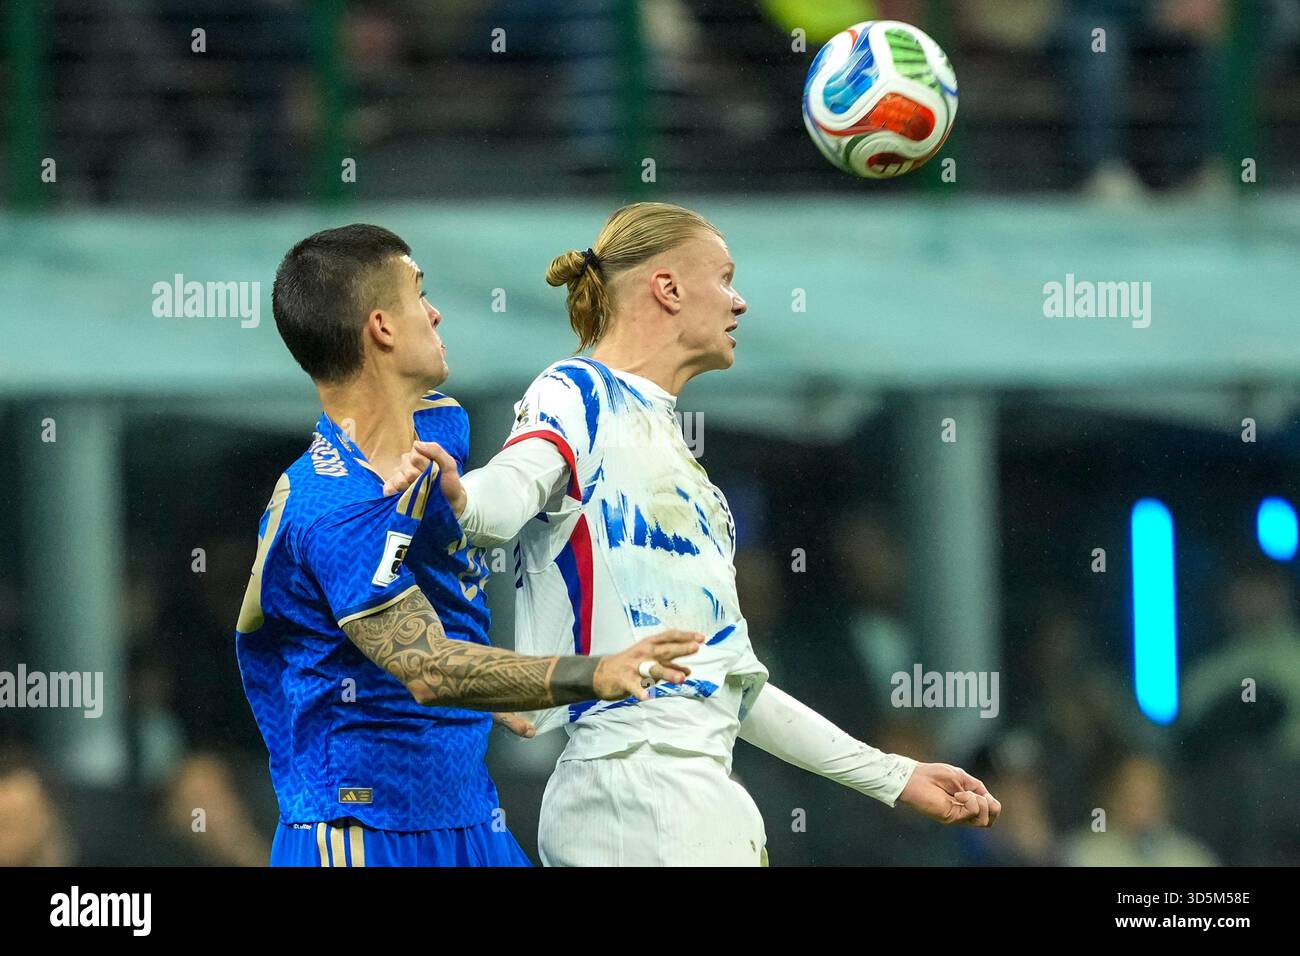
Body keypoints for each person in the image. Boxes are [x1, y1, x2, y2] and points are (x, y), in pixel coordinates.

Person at [385, 203, 1000, 865]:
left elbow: (737, 684)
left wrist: (894, 775)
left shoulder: (696, 484)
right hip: (634, 790)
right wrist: (459, 496)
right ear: (668, 287)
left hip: (696, 796)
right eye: (726, 278)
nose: (738, 303)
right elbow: (507, 491)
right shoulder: (579, 391)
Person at [236, 223, 703, 866]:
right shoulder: (332, 508)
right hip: (361, 833)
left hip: (469, 816)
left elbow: (440, 578)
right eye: (419, 294)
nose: (433, 312)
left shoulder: (441, 428)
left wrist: (500, 684)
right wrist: (595, 672)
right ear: (382, 328)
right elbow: (428, 670)